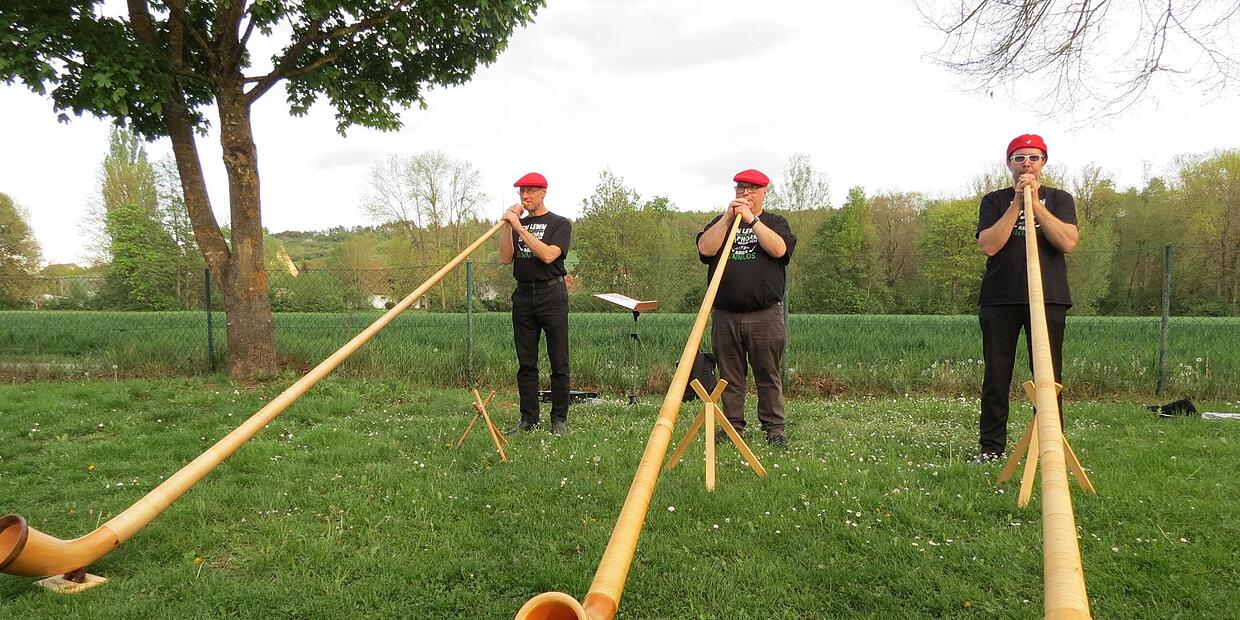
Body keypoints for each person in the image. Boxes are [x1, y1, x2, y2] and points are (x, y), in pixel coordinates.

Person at [974, 134, 1079, 462]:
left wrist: (1036, 206)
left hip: (1049, 297)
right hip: (1000, 298)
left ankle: (1051, 447)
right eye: (1019, 158)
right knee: (996, 375)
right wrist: (1017, 205)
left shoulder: (1060, 199)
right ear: (1009, 164)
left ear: (1043, 162)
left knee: (1048, 376)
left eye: (1033, 157)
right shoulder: (994, 200)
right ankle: (991, 448)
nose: (1026, 164)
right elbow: (990, 244)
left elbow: (1067, 242)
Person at [696, 169, 797, 448]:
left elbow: (779, 251)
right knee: (729, 377)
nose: (745, 193)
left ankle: (774, 429)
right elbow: (705, 249)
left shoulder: (776, 222)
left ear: (764, 192)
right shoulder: (721, 222)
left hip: (764, 314)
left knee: (768, 374)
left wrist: (752, 221)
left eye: (752, 189)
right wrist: (729, 218)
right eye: (741, 188)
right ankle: (731, 428)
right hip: (726, 314)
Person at [498, 172, 573, 435]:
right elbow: (506, 258)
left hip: (551, 295)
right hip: (523, 296)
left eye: (530, 191)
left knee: (558, 360)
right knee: (526, 362)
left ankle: (559, 419)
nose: (525, 196)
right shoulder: (518, 224)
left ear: (543, 192)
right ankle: (528, 418)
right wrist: (509, 226)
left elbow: (549, 255)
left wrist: (520, 228)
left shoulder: (560, 224)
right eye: (521, 192)